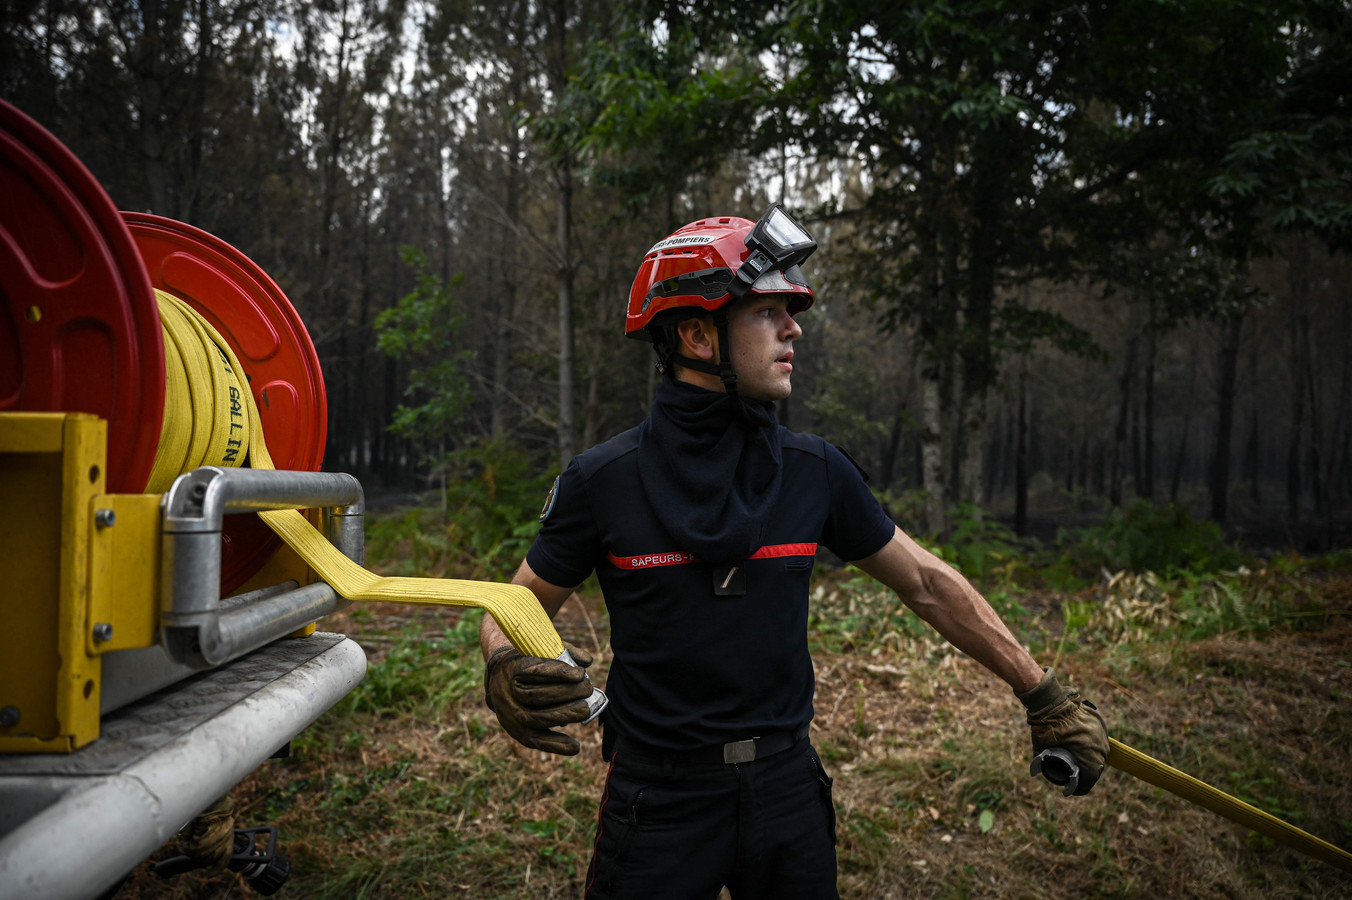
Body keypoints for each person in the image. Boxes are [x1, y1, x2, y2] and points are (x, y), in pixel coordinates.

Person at [479, 206, 1110, 899]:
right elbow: (514, 603)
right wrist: (504, 660)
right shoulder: (604, 480)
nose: (794, 329)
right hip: (656, 801)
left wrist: (1039, 691)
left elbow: (926, 582)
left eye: (791, 310)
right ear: (695, 333)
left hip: (786, 793)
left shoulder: (815, 471)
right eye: (767, 311)